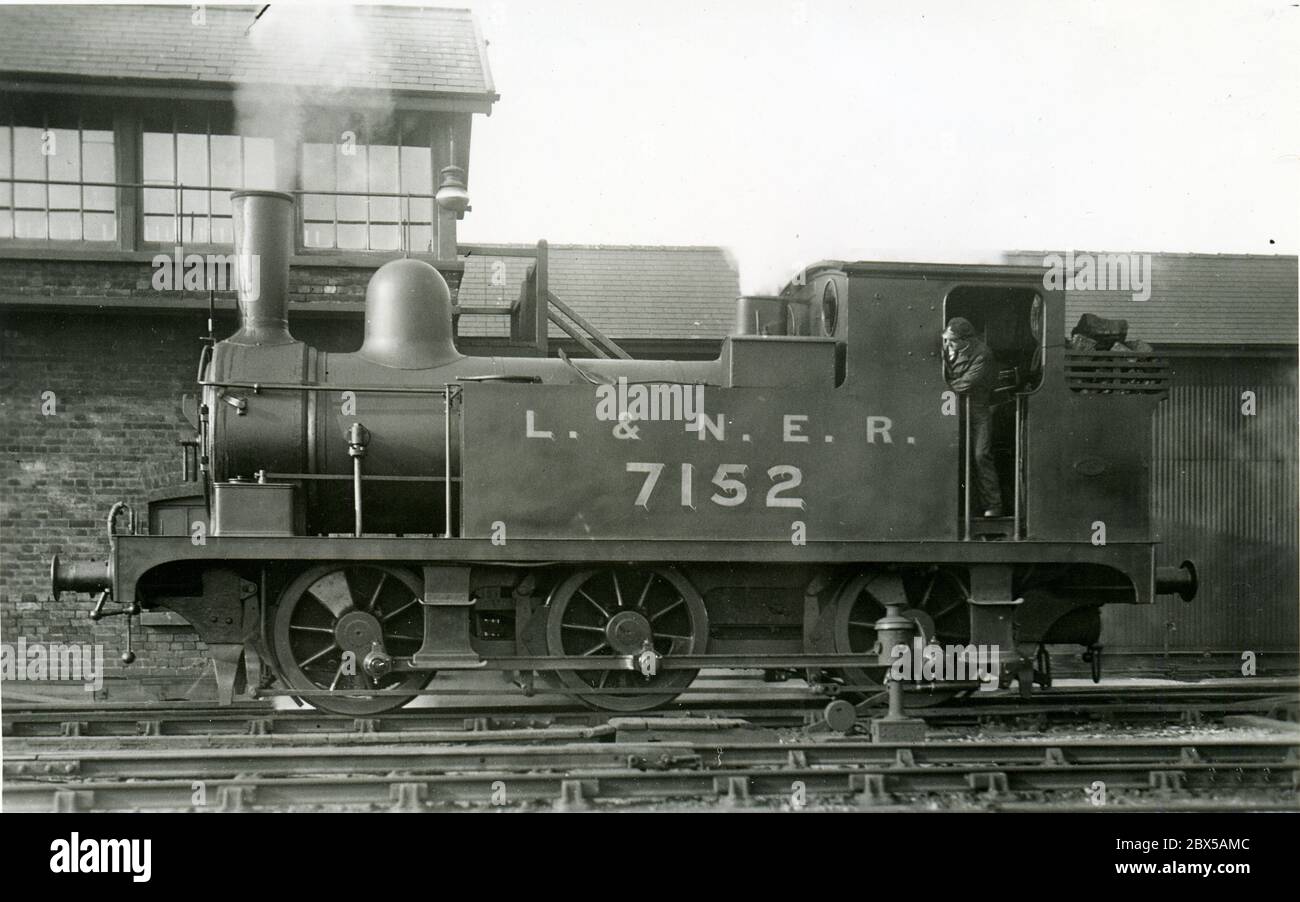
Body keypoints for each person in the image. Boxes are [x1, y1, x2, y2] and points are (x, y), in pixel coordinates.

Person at [942, 317, 1003, 517]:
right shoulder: (949, 347)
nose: (947, 344)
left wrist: (942, 386)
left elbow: (966, 383)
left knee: (981, 455)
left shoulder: (983, 354)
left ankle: (993, 505)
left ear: (965, 340)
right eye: (946, 339)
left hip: (977, 410)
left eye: (952, 341)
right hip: (953, 407)